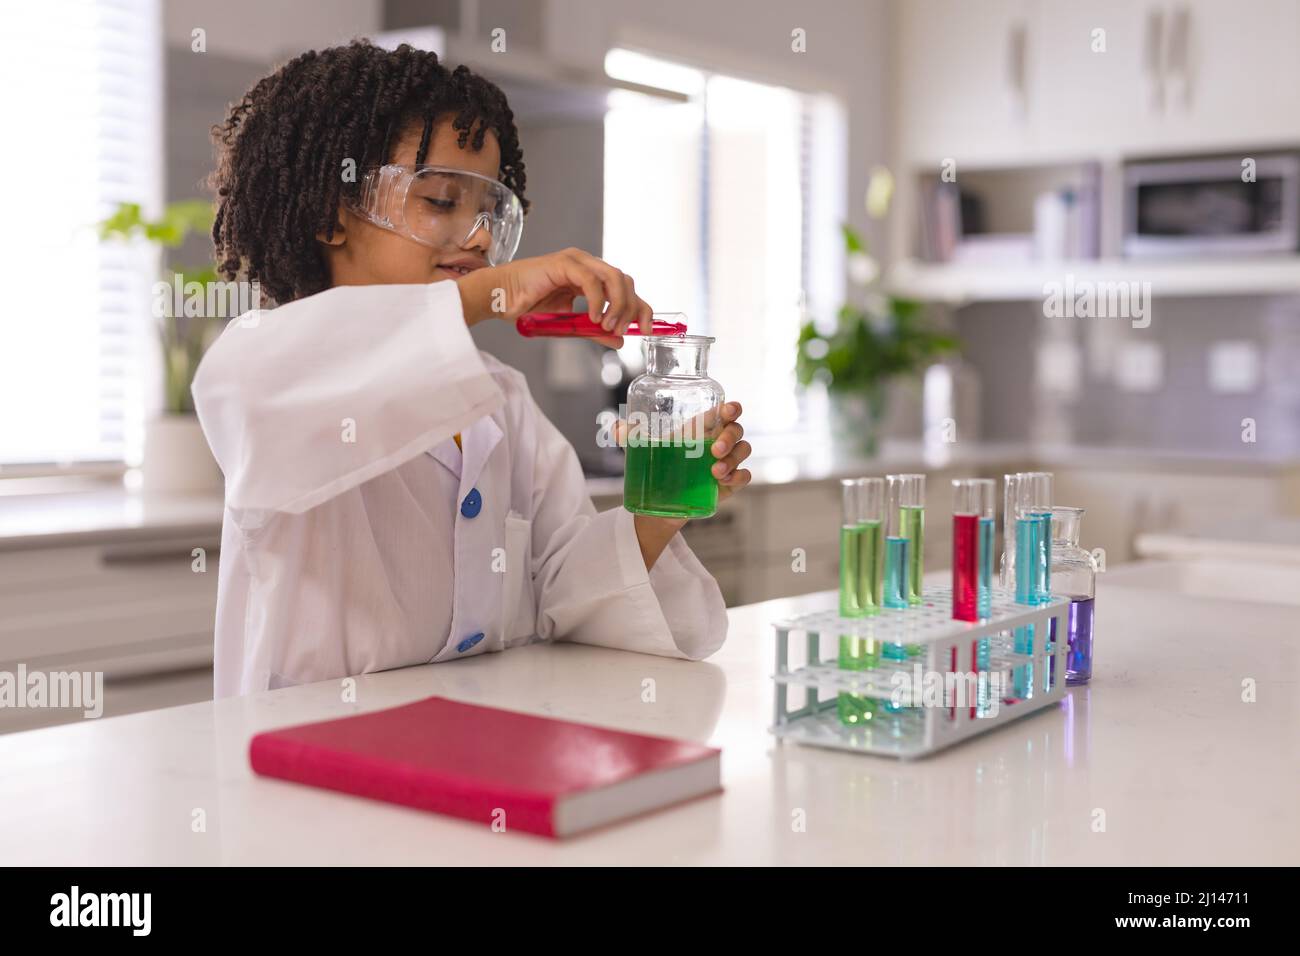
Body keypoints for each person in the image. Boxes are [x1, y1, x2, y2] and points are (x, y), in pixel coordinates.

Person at [192, 40, 752, 696]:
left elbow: (562, 589)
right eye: (440, 201)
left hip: (468, 755)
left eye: (489, 213)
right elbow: (244, 386)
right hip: (304, 765)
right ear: (333, 213)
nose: (481, 237)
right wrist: (490, 292)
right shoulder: (267, 363)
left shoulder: (501, 399)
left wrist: (664, 504)